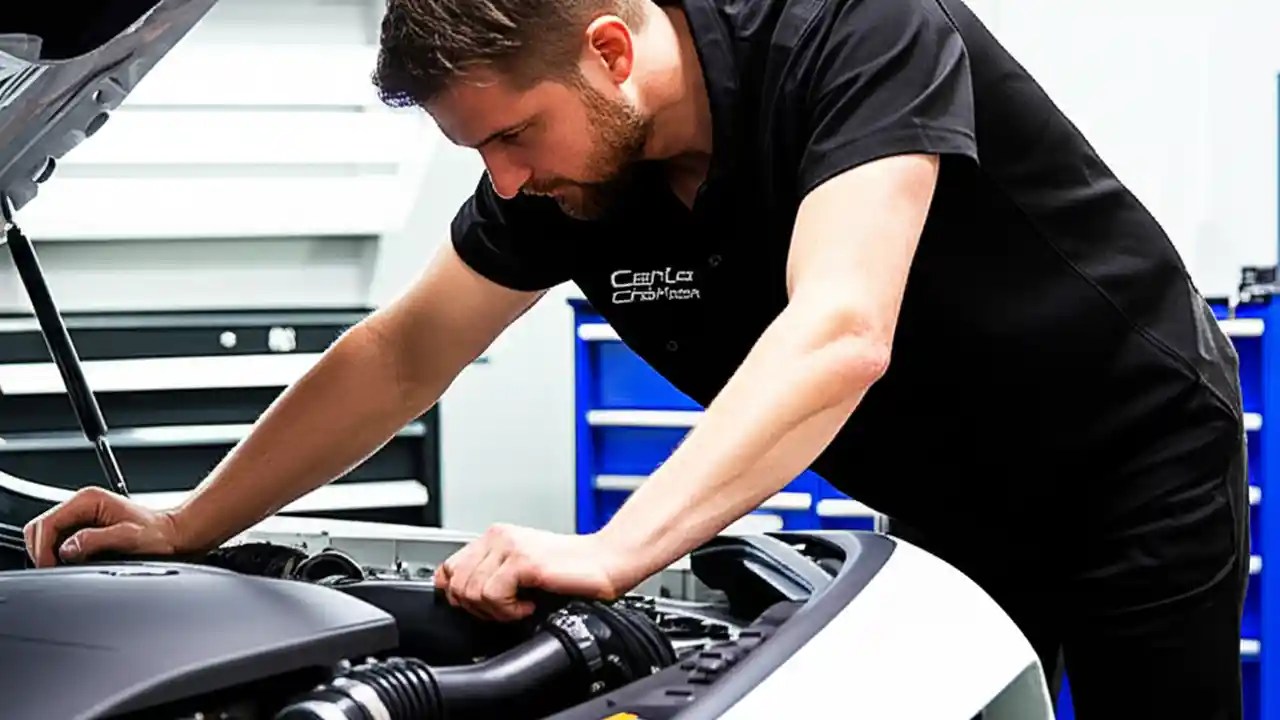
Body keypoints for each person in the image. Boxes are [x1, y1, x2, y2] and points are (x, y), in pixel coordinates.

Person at [25, 0, 1248, 716]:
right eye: (477, 151)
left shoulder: (852, 32)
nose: (503, 182)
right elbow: (402, 354)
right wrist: (189, 522)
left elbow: (837, 329)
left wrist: (612, 549)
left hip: (1121, 457)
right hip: (939, 486)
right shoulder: (558, 174)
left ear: (609, 50)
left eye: (512, 134)